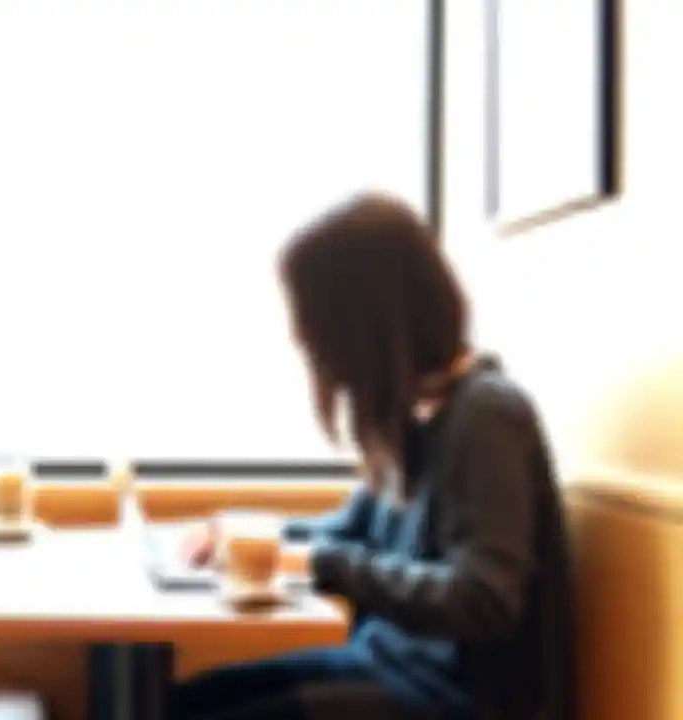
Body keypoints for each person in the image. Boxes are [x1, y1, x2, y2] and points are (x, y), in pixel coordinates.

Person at [174, 193, 576, 720]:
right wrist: (243, 537)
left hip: (455, 700)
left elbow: (484, 599)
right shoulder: (416, 415)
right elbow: (349, 530)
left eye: (313, 324)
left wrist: (321, 565)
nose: (303, 340)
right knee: (176, 703)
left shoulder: (487, 415)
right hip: (390, 669)